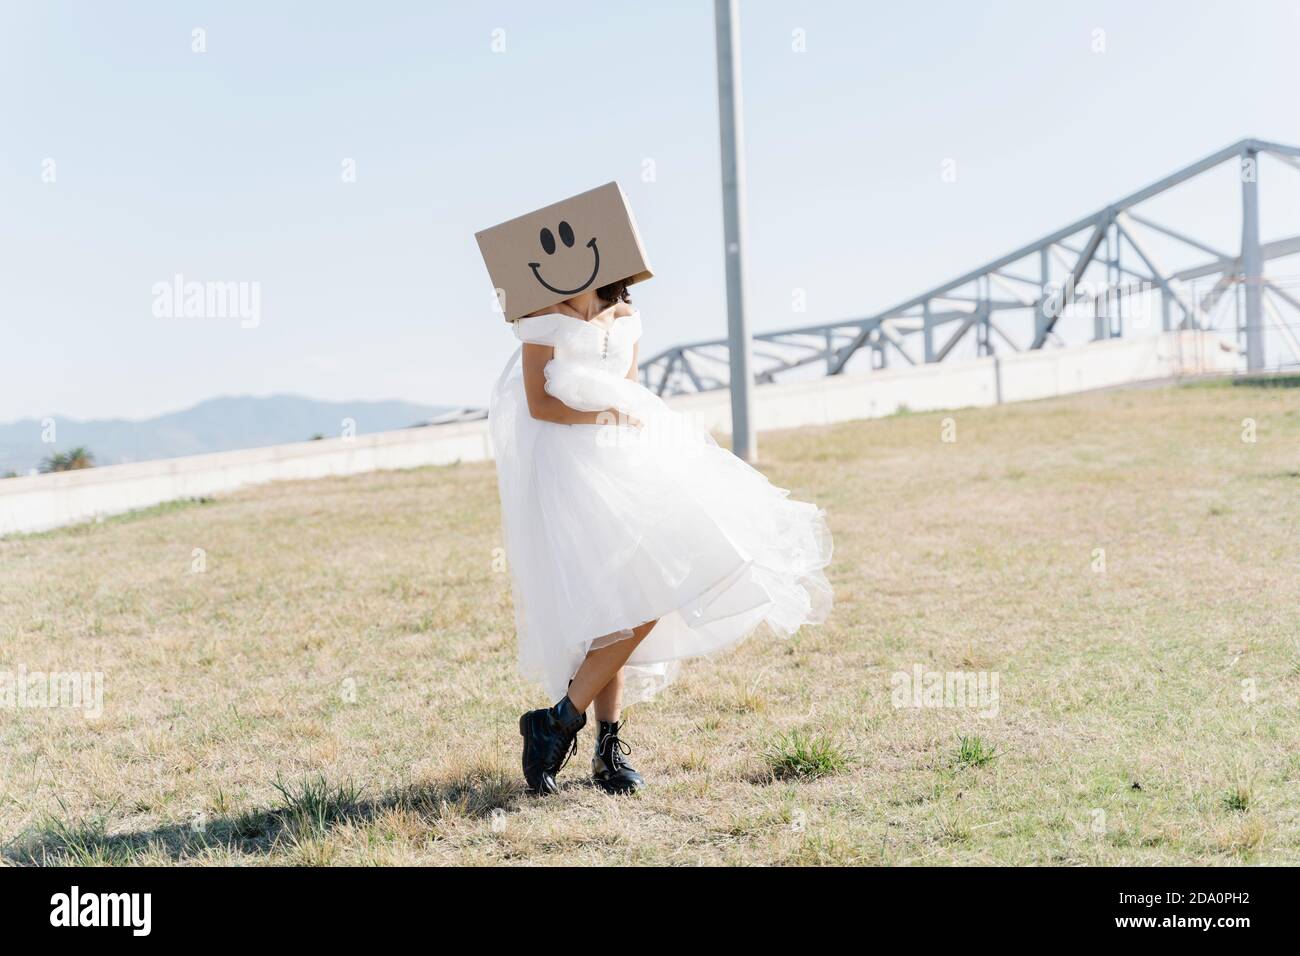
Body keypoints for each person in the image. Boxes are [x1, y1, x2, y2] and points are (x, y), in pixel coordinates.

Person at [489, 276, 832, 795]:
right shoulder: (540, 311)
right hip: (570, 467)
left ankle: (565, 723)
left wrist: (625, 420)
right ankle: (593, 741)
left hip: (631, 457)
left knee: (646, 585)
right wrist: (611, 416)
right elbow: (540, 403)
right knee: (620, 599)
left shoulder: (626, 314)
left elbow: (626, 386)